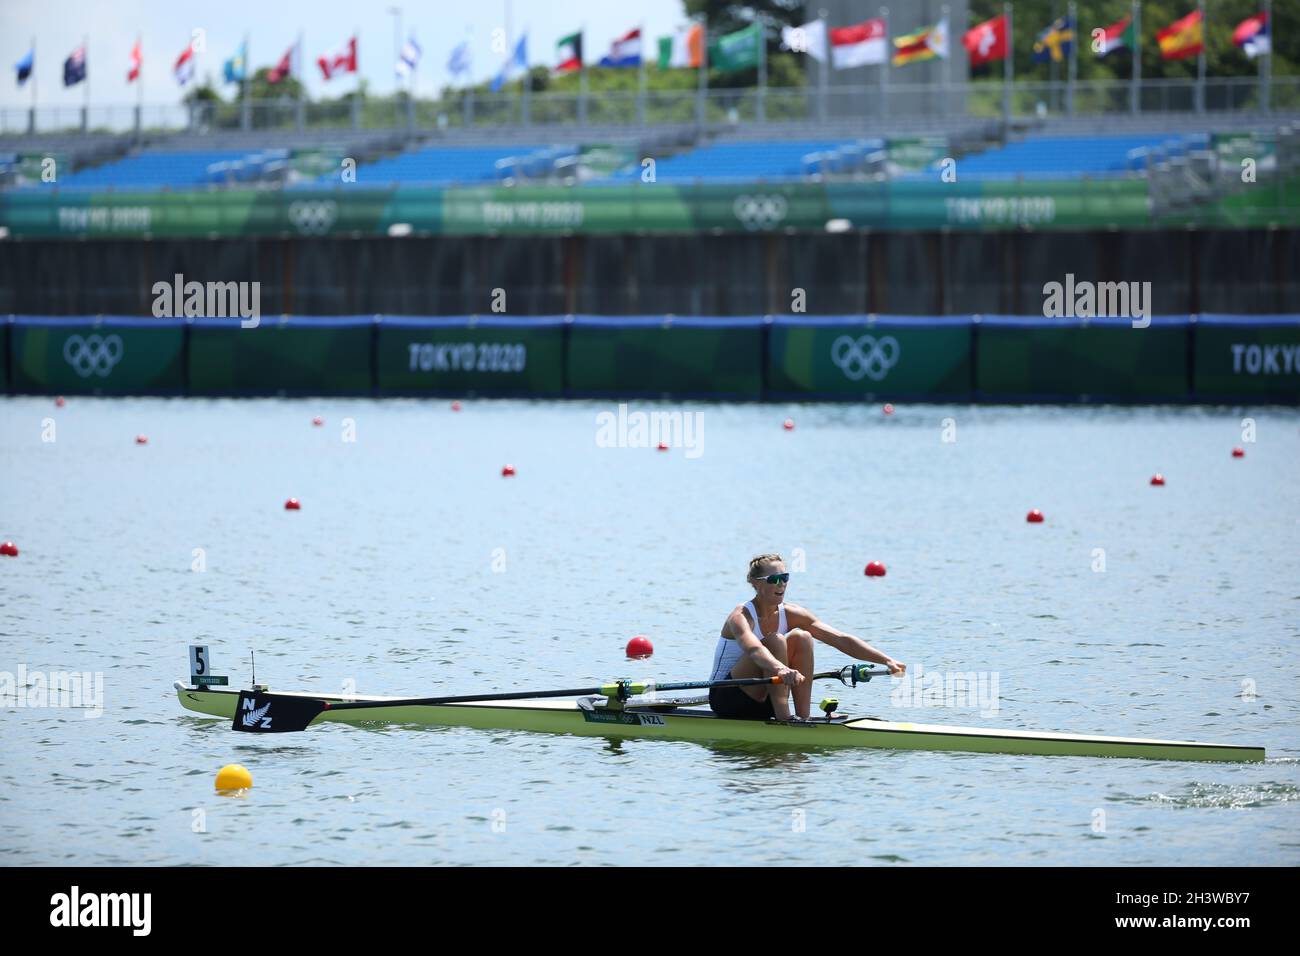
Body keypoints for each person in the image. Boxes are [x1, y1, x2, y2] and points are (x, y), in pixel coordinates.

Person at [709, 553, 906, 721]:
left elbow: (840, 638)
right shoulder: (741, 616)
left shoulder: (792, 613)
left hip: (767, 696)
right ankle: (785, 718)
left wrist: (886, 660)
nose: (782, 584)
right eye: (774, 579)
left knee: (802, 637)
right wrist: (781, 668)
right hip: (727, 698)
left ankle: (803, 718)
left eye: (785, 577)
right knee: (775, 640)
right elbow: (754, 649)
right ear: (755, 583)